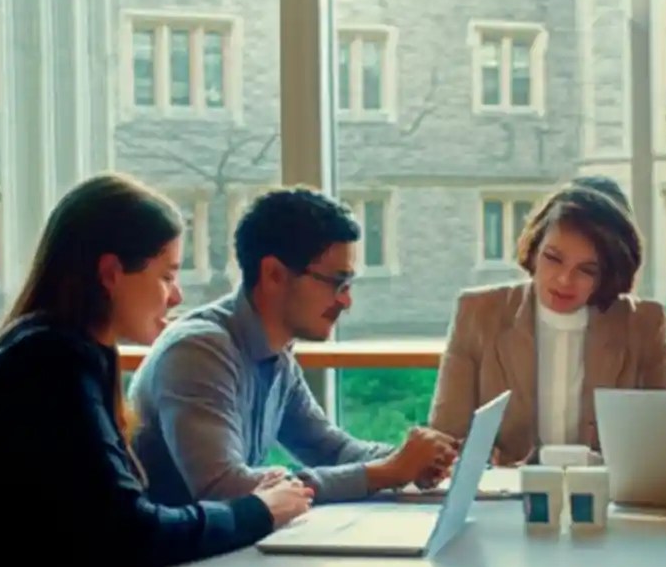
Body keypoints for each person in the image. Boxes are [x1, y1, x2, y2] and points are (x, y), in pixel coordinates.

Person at [0, 174, 312, 567]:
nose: (177, 296)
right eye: (166, 275)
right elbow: (129, 532)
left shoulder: (57, 351)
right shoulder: (51, 363)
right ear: (111, 272)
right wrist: (258, 512)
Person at [130, 187, 456, 506]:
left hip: (222, 553)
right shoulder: (199, 351)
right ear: (274, 274)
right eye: (336, 283)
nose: (346, 300)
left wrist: (410, 462)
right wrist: (385, 472)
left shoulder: (275, 353)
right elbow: (225, 488)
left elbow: (331, 449)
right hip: (177, 559)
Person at [430, 184, 666, 465]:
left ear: (608, 274)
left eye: (587, 270)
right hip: (506, 493)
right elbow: (446, 438)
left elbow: (661, 442)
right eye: (553, 259)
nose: (564, 280)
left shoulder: (643, 324)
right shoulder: (478, 313)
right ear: (534, 249)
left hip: (605, 493)